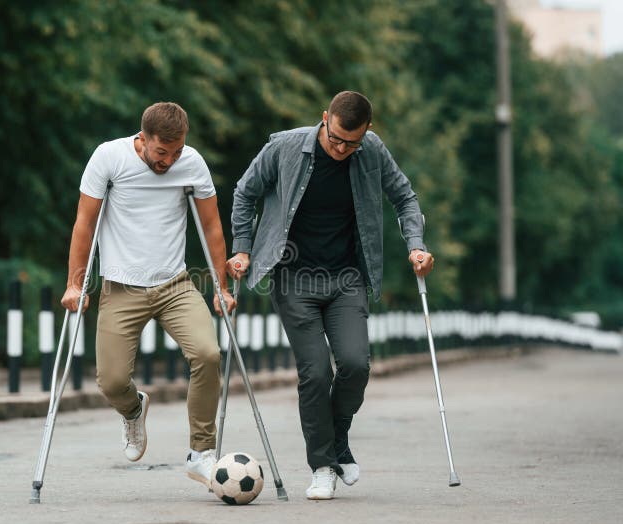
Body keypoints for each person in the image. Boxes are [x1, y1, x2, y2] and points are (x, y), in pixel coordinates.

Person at [226, 91, 434, 500]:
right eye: (335, 138)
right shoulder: (284, 147)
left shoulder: (371, 151)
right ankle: (322, 465)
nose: (340, 149)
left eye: (350, 143)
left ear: (366, 133)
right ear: (324, 119)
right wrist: (242, 247)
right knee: (316, 372)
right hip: (293, 278)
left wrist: (415, 244)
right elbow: (245, 192)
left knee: (356, 365)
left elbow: (404, 197)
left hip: (346, 279)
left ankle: (338, 439)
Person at [61, 102, 235, 490]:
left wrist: (220, 287)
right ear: (143, 139)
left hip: (174, 284)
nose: (170, 161)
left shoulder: (191, 163)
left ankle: (202, 453)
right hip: (121, 286)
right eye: (162, 153)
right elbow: (84, 223)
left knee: (208, 354)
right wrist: (75, 283)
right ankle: (133, 409)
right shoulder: (109, 158)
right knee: (110, 381)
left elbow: (211, 227)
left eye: (177, 152)